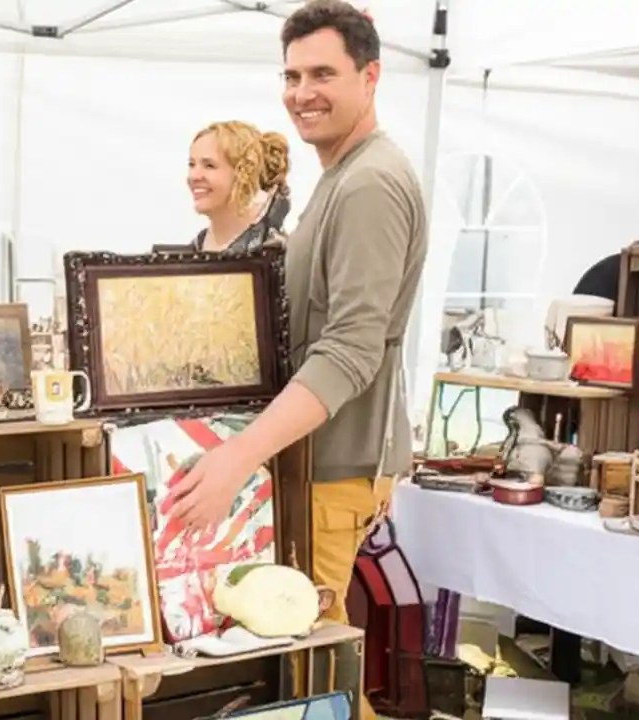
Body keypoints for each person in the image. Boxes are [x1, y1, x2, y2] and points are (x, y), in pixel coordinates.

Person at [164, 4, 428, 714]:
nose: (302, 91)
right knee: (308, 669)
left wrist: (237, 457)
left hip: (334, 467)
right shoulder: (339, 178)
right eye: (291, 74)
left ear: (370, 77)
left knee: (318, 679)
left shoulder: (371, 183)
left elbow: (349, 349)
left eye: (323, 74)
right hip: (313, 463)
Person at [187, 120, 292, 253]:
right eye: (191, 164)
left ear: (244, 173)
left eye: (209, 165)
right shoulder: (189, 255)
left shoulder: (278, 255)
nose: (194, 176)